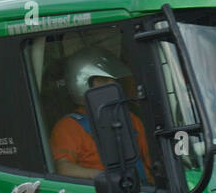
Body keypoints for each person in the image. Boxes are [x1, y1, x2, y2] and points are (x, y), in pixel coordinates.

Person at [50, 49, 150, 179]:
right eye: (103, 80)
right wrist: (106, 177)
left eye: (114, 79)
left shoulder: (130, 118)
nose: (112, 84)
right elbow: (64, 168)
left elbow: (150, 160)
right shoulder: (68, 127)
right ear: (81, 84)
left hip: (146, 190)